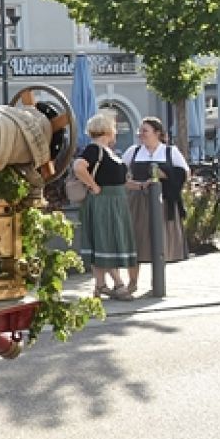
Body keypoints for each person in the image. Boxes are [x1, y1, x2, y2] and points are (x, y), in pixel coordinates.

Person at [123, 115, 189, 294]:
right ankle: (133, 282)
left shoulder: (170, 152)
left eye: (145, 131)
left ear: (157, 133)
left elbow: (184, 174)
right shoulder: (134, 151)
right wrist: (133, 183)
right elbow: (120, 174)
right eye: (140, 131)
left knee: (159, 242)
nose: (141, 134)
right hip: (137, 202)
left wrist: (164, 174)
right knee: (135, 241)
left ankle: (157, 283)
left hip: (162, 203)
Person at [74, 113, 137, 300]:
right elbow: (78, 166)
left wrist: (140, 184)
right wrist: (93, 186)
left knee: (102, 242)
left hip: (114, 201)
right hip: (104, 201)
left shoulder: (107, 151)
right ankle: (118, 284)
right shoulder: (94, 149)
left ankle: (100, 285)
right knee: (105, 241)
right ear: (108, 130)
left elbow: (119, 180)